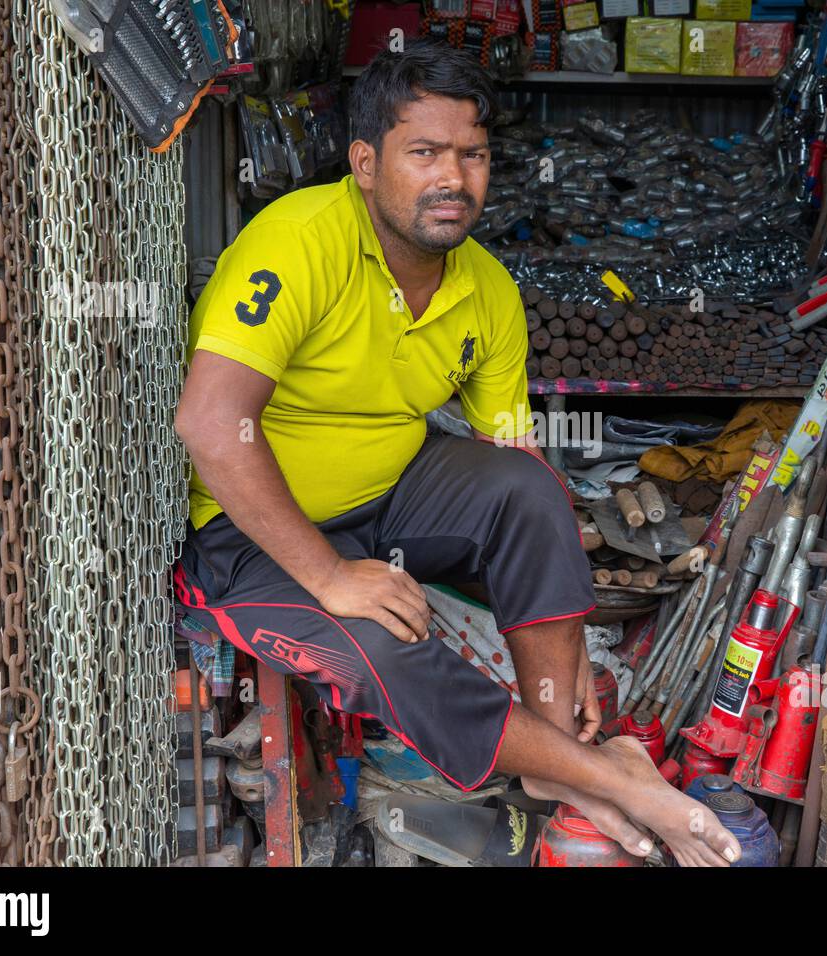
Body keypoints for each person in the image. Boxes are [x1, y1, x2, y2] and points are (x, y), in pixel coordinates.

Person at [172, 41, 739, 867]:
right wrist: (330, 575)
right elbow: (213, 425)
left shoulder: (486, 289)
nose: (454, 178)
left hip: (389, 501)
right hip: (252, 539)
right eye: (424, 153)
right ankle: (616, 781)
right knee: (385, 653)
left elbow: (513, 468)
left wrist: (565, 636)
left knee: (525, 489)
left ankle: (552, 761)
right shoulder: (294, 245)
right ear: (366, 163)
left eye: (472, 155)